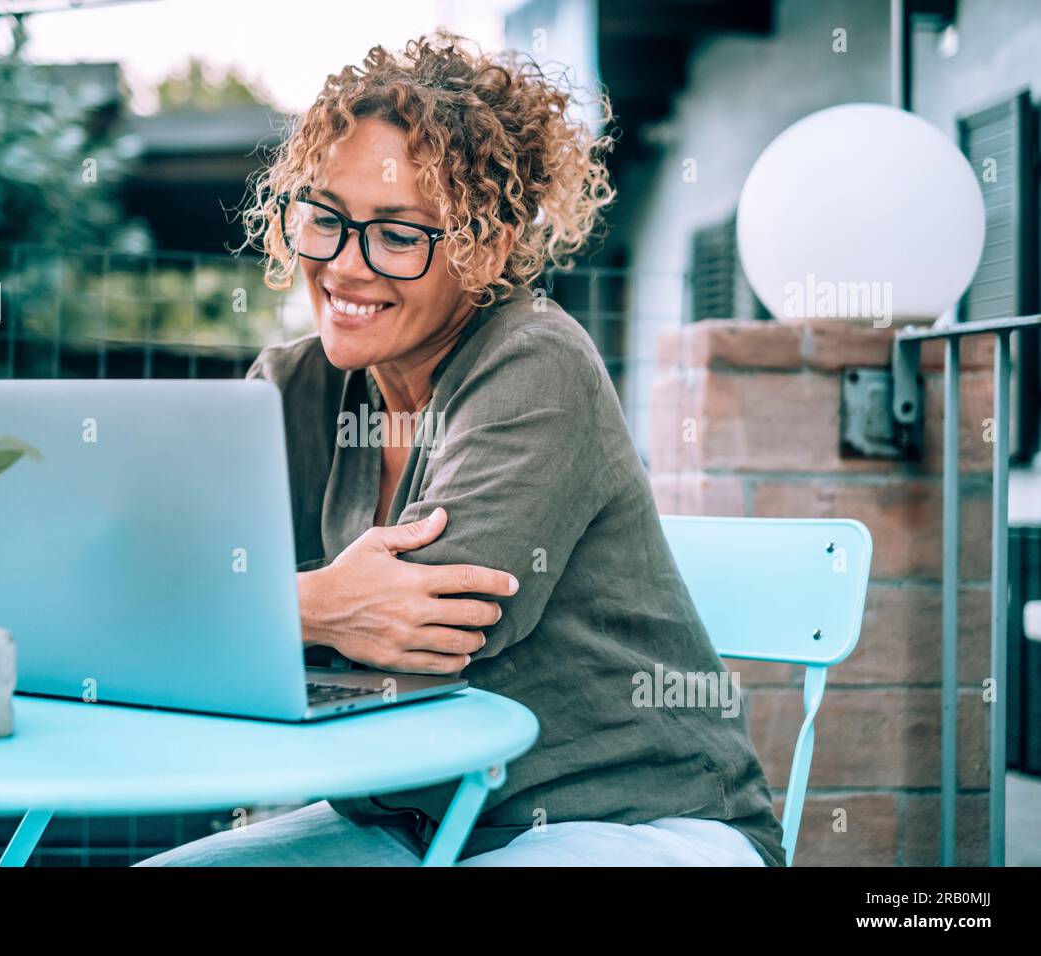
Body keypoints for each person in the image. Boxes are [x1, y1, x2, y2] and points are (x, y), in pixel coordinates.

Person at [138, 32, 783, 867]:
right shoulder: (292, 389)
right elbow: (163, 590)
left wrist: (271, 610)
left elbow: (433, 630)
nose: (344, 265)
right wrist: (323, 604)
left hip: (637, 819)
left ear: (489, 247)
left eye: (398, 235)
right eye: (324, 217)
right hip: (415, 826)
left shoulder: (535, 361)